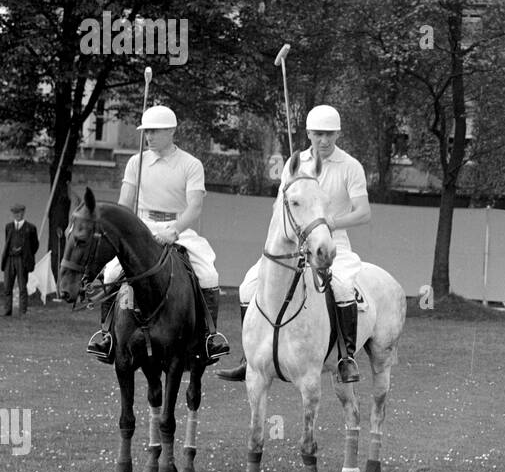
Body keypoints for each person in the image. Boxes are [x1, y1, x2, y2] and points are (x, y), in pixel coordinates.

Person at [217, 105, 371, 383]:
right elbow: (280, 206)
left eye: (329, 134)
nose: (323, 140)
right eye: (318, 134)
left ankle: (345, 358)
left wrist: (330, 223)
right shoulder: (294, 163)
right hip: (292, 245)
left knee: (343, 288)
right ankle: (248, 357)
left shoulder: (350, 167)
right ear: (309, 133)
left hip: (332, 244)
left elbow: (364, 212)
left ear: (338, 134)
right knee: (247, 287)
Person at [86, 104, 230, 365]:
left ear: (172, 131)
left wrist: (173, 231)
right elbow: (125, 204)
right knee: (110, 273)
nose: (148, 137)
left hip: (178, 229)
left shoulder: (191, 164)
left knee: (209, 274)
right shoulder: (135, 162)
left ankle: (210, 337)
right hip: (140, 228)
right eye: (146, 131)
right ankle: (106, 336)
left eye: (154, 131)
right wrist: (127, 233)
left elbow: (194, 207)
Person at [1, 203, 39, 316]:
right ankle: (7, 310)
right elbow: (7, 241)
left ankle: (23, 311)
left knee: (22, 286)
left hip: (22, 260)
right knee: (7, 285)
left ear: (23, 213)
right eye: (15, 213)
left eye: (19, 213)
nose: (17, 215)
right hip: (10, 259)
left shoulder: (30, 228)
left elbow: (35, 245)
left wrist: (27, 255)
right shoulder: (9, 227)